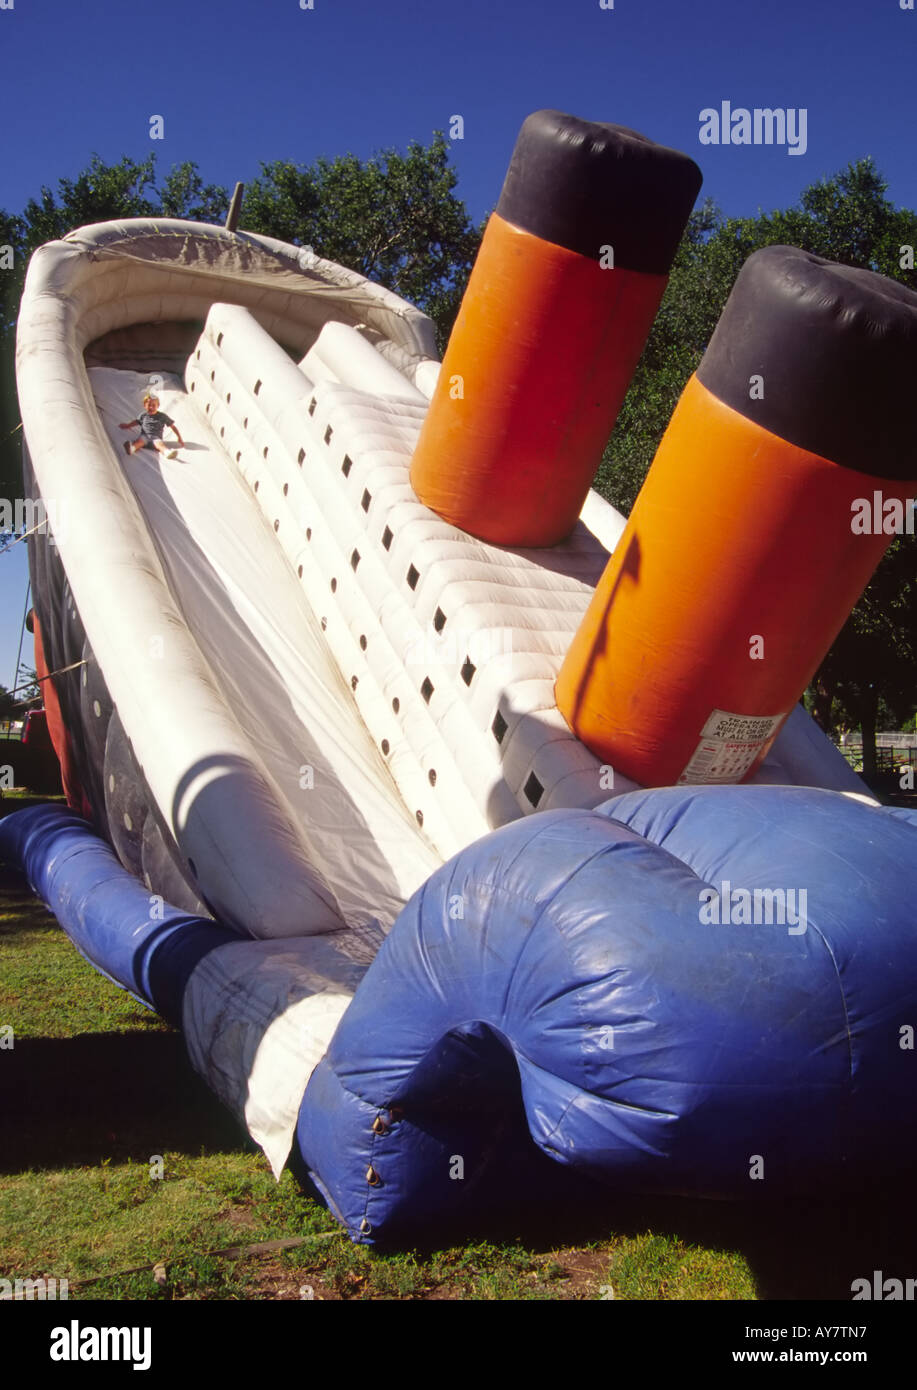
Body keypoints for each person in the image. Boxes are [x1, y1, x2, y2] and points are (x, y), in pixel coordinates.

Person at [119, 394, 185, 459]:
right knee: (139, 442)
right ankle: (131, 449)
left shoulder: (162, 416)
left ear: (158, 406)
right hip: (145, 436)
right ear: (145, 406)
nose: (151, 407)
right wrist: (127, 425)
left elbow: (173, 427)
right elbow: (136, 422)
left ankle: (167, 453)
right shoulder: (143, 415)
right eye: (149, 405)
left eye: (153, 405)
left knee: (159, 444)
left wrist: (179, 437)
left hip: (156, 438)